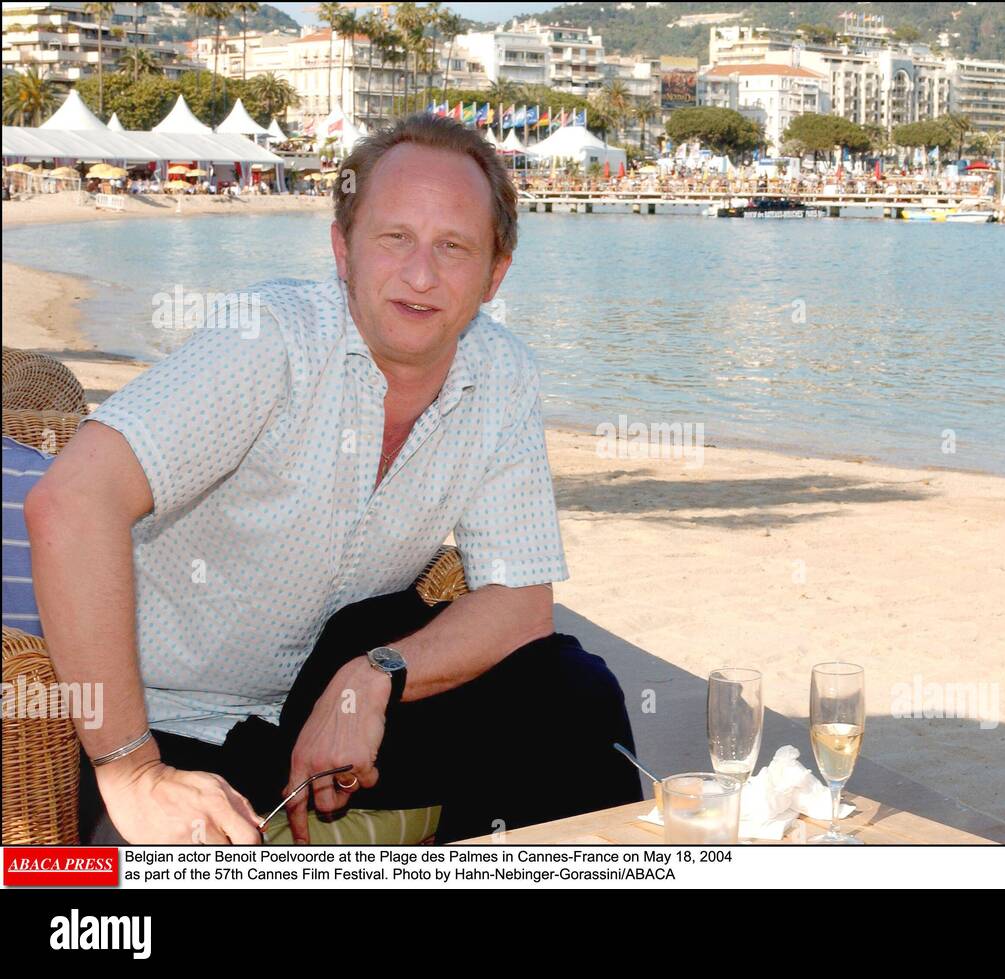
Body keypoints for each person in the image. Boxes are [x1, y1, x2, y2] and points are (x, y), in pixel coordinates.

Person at [28, 113, 642, 846]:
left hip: (335, 701)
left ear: (493, 274)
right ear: (342, 248)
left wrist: (377, 672)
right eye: (394, 238)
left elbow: (520, 603)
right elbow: (70, 500)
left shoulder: (500, 372)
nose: (421, 275)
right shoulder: (268, 340)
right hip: (173, 719)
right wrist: (131, 767)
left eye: (453, 246)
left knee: (572, 696)